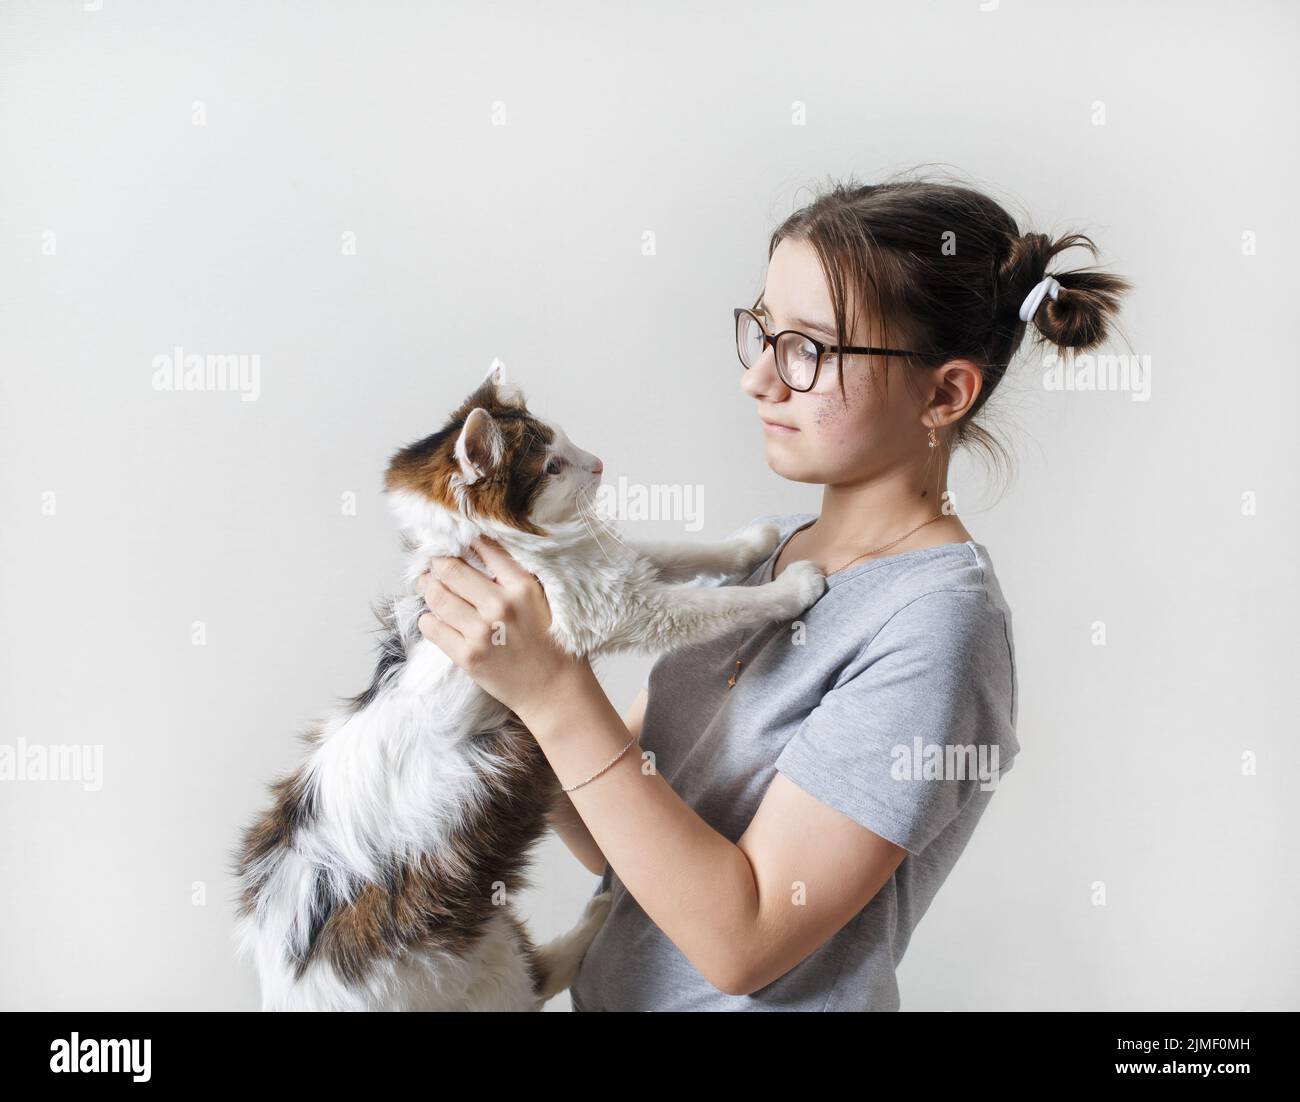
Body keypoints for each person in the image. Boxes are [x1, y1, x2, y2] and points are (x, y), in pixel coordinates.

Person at [415, 172, 1130, 1011]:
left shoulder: (938, 627)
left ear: (944, 393)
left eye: (810, 350)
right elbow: (622, 836)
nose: (760, 379)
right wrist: (492, 685)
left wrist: (556, 692)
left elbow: (742, 940)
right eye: (763, 330)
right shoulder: (769, 556)